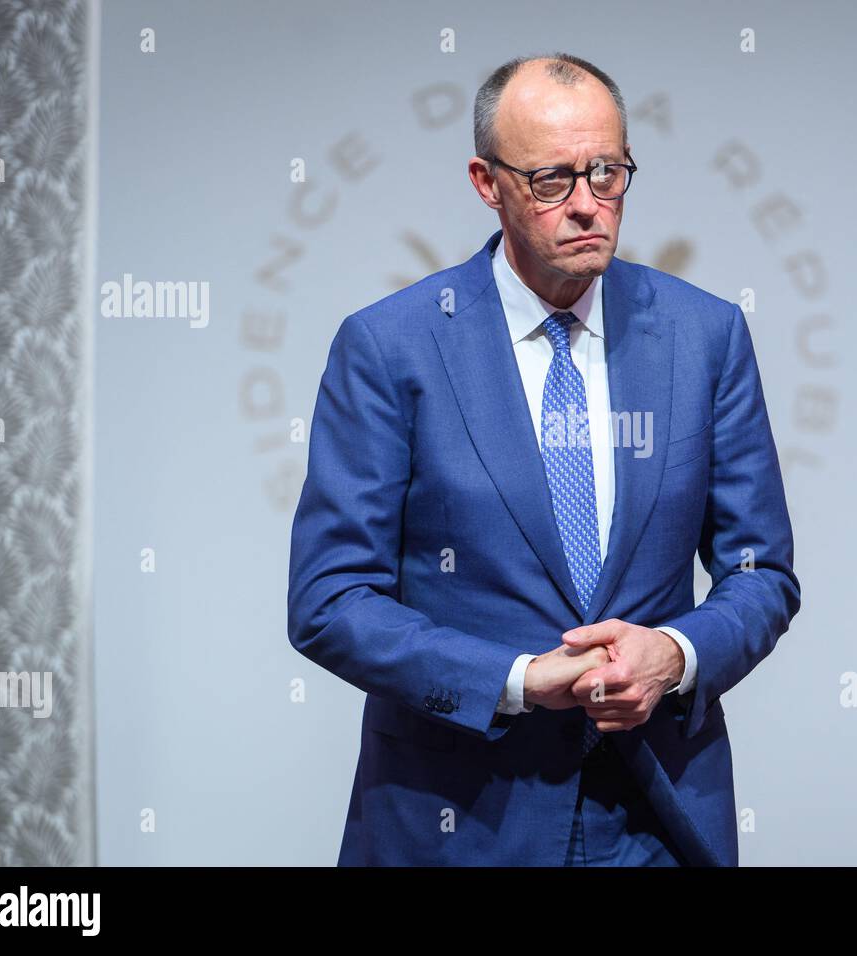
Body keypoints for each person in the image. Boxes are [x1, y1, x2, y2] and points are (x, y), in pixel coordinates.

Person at [287, 52, 800, 866]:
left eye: (607, 173)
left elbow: (761, 570)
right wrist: (518, 679)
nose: (588, 205)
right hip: (460, 821)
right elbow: (331, 599)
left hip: (658, 819)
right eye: (552, 180)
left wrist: (675, 655)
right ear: (486, 183)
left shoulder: (705, 336)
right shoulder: (390, 348)